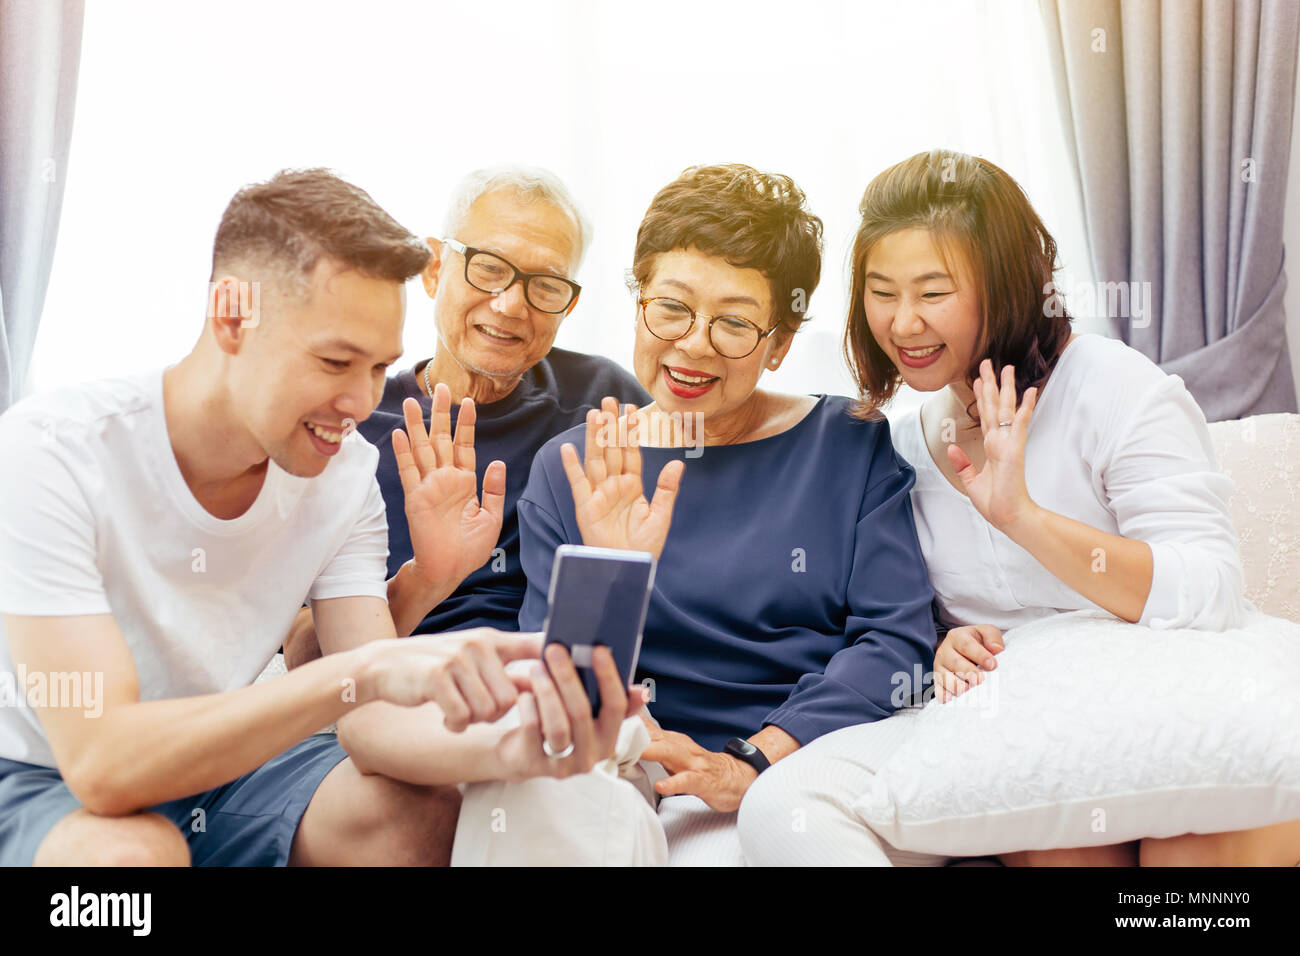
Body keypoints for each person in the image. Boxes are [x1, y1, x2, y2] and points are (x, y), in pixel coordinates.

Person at [0, 168, 641, 867]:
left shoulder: (344, 473)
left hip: (225, 772)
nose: (364, 403)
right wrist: (366, 673)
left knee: (409, 816)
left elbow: (369, 719)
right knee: (130, 859)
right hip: (43, 774)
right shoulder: (53, 451)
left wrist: (515, 747)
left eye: (378, 369)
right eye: (336, 362)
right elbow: (103, 762)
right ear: (232, 317)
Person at [737, 148, 1300, 866]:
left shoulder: (1110, 385)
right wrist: (944, 641)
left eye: (933, 292)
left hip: (1171, 697)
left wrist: (1025, 520)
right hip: (1032, 725)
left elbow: (1209, 588)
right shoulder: (906, 442)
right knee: (1038, 848)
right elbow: (920, 616)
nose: (903, 323)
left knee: (1189, 851)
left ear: (1002, 289)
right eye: (882, 292)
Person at [451, 164, 938, 866]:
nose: (695, 343)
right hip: (640, 761)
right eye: (671, 307)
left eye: (735, 323)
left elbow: (893, 643)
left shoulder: (847, 444)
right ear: (639, 299)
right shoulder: (574, 468)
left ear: (780, 343)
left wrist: (753, 759)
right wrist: (615, 573)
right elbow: (569, 683)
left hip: (803, 762)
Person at [282, 167, 648, 667]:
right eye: (489, 267)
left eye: (545, 284)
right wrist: (428, 578)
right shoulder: (350, 428)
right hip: (400, 695)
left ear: (569, 304)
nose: (510, 304)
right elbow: (303, 660)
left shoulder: (604, 401)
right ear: (435, 269)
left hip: (553, 689)